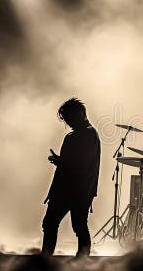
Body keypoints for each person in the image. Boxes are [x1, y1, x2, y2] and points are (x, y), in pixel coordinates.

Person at [42, 98, 101, 257]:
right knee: (59, 224)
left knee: (75, 225)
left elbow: (80, 165)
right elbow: (74, 164)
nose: (68, 122)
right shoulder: (77, 135)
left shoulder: (88, 134)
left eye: (69, 117)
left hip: (77, 191)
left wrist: (60, 161)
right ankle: (79, 262)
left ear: (80, 114)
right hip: (69, 190)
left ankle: (79, 262)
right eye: (66, 119)